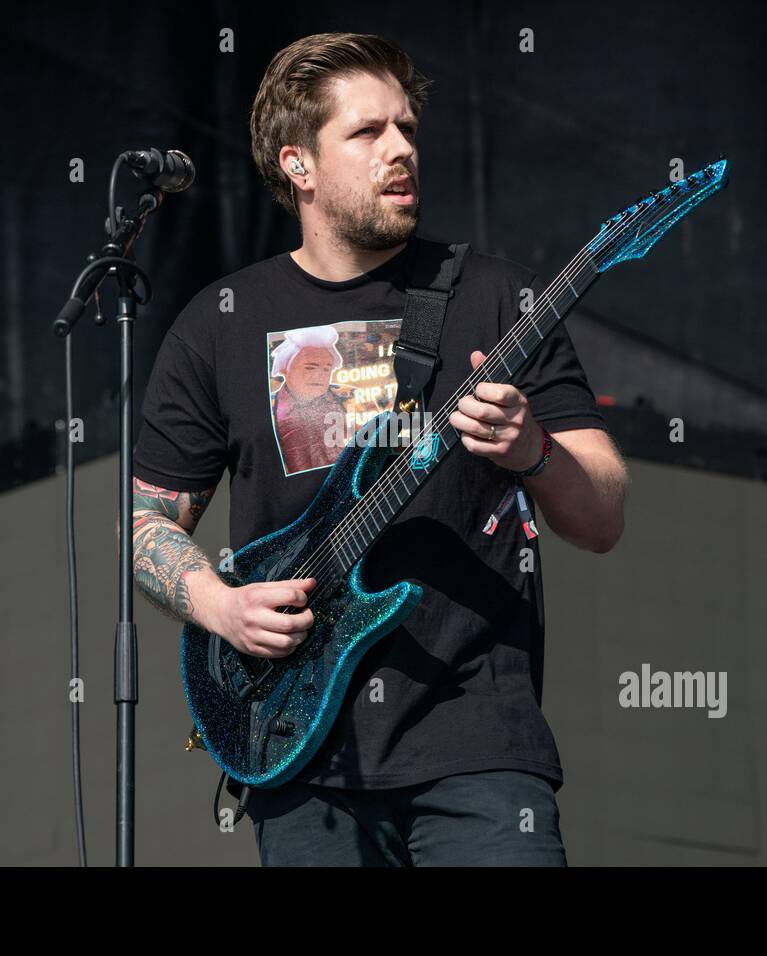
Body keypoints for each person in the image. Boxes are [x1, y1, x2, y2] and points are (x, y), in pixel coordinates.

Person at [131, 32, 628, 867]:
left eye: (406, 128)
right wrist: (219, 606)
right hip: (299, 746)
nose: (401, 150)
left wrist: (531, 449)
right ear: (299, 166)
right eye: (367, 133)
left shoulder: (498, 297)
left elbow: (604, 514)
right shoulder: (219, 324)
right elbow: (148, 521)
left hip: (478, 740)